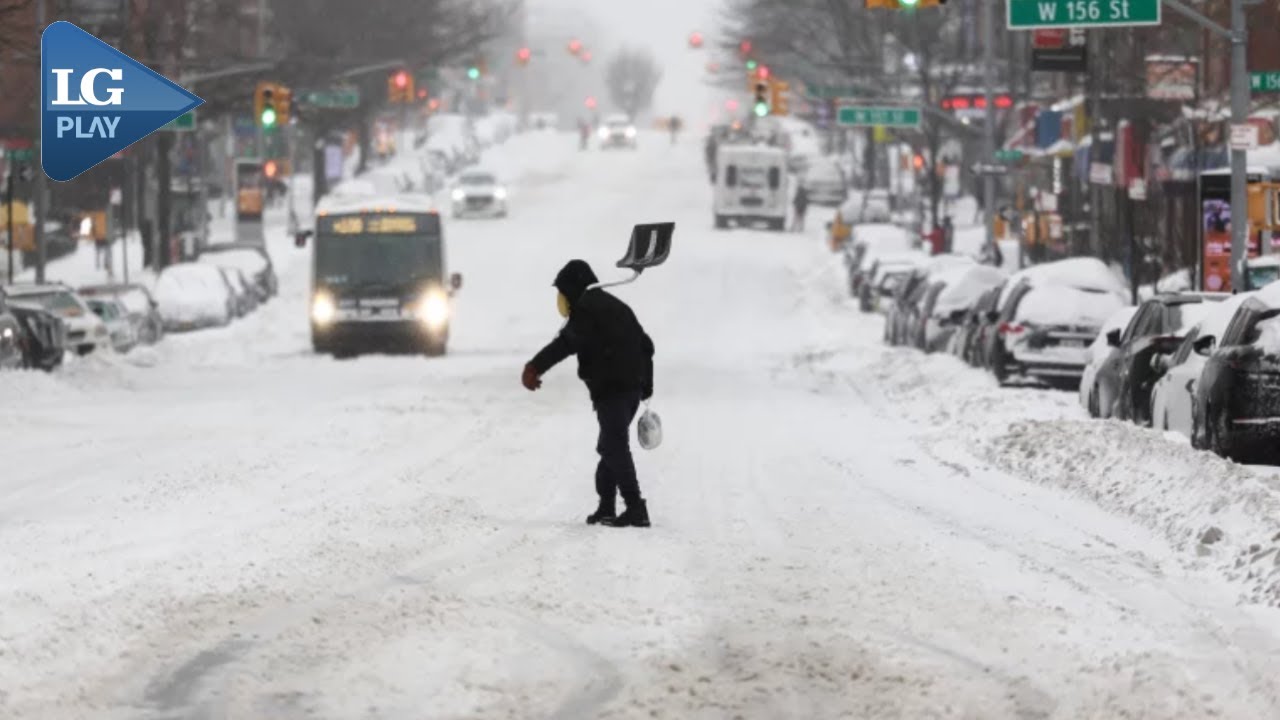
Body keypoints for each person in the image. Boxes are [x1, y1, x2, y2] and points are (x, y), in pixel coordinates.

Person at [522, 260, 655, 528]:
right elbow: (646, 345)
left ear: (573, 288)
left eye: (562, 293)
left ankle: (635, 507)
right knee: (609, 446)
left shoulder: (587, 309)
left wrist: (535, 367)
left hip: (613, 389)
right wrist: (645, 386)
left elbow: (565, 343)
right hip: (629, 388)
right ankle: (606, 507)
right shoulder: (614, 306)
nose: (561, 300)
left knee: (614, 446)